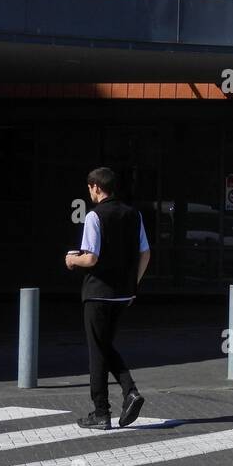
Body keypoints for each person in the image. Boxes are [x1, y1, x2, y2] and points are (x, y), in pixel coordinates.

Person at [65, 167, 150, 430]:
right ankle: (130, 392)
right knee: (105, 346)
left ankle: (101, 411)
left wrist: (71, 260)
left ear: (96, 188)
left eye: (89, 187)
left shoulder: (94, 216)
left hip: (98, 292)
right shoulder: (134, 214)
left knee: (97, 351)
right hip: (123, 294)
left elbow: (91, 257)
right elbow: (145, 253)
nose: (89, 192)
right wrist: (133, 284)